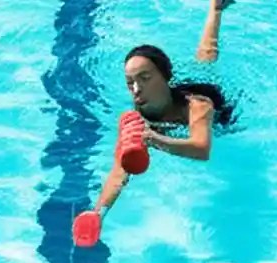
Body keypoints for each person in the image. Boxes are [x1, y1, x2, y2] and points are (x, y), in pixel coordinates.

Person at [77, 43, 235, 240]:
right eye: (129, 83)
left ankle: (215, 13)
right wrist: (98, 213)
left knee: (206, 67)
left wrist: (154, 139)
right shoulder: (136, 115)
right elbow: (120, 170)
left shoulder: (198, 104)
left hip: (221, 112)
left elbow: (201, 149)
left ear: (166, 76)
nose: (136, 89)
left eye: (144, 78)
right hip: (170, 111)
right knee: (202, 67)